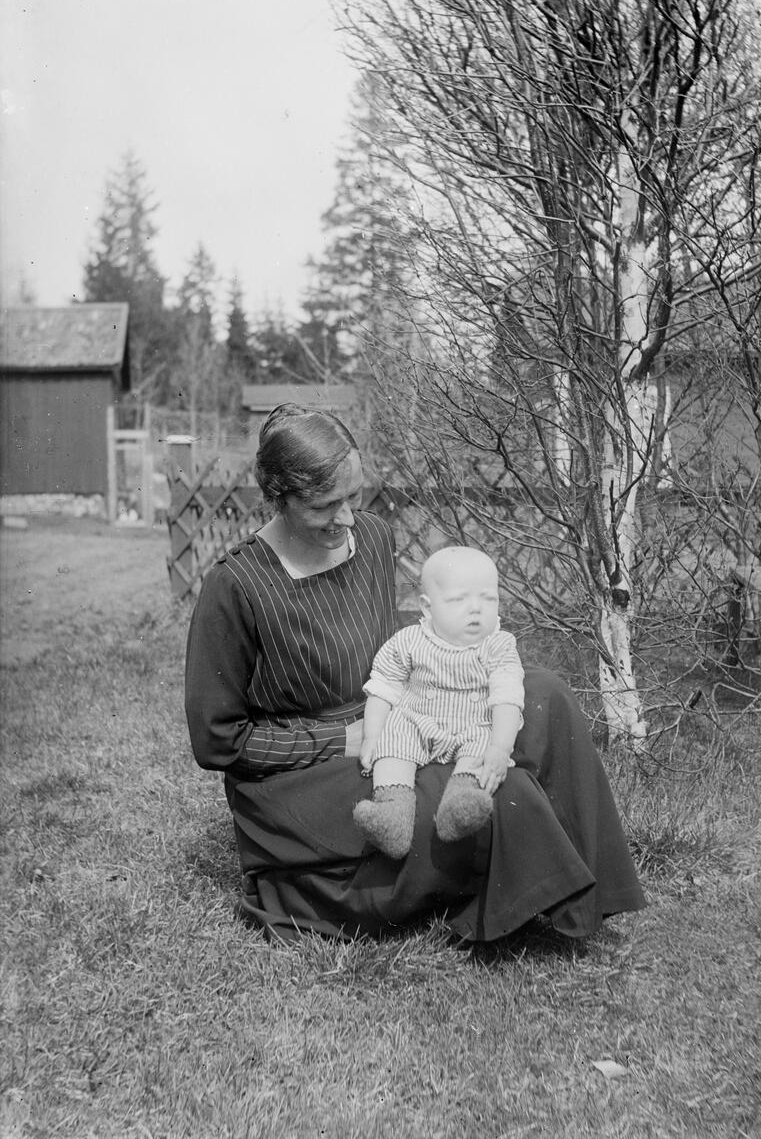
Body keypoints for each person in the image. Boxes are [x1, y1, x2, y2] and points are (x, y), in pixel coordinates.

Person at [185, 403, 645, 943]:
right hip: (304, 774)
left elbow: (395, 658)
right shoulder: (235, 585)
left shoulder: (374, 538)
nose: (347, 517)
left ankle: (595, 899)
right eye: (324, 505)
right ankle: (516, 898)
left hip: (396, 717)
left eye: (353, 496)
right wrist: (342, 737)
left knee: (545, 696)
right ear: (278, 497)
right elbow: (217, 742)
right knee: (483, 789)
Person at [355, 547, 525, 859]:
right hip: (417, 720)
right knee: (393, 744)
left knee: (480, 752)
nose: (476, 609)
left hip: (473, 724)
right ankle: (391, 816)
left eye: (488, 599)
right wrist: (371, 736)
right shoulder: (409, 640)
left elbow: (507, 698)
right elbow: (383, 687)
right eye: (459, 600)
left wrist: (500, 749)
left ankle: (459, 810)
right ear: (427, 607)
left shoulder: (498, 646)